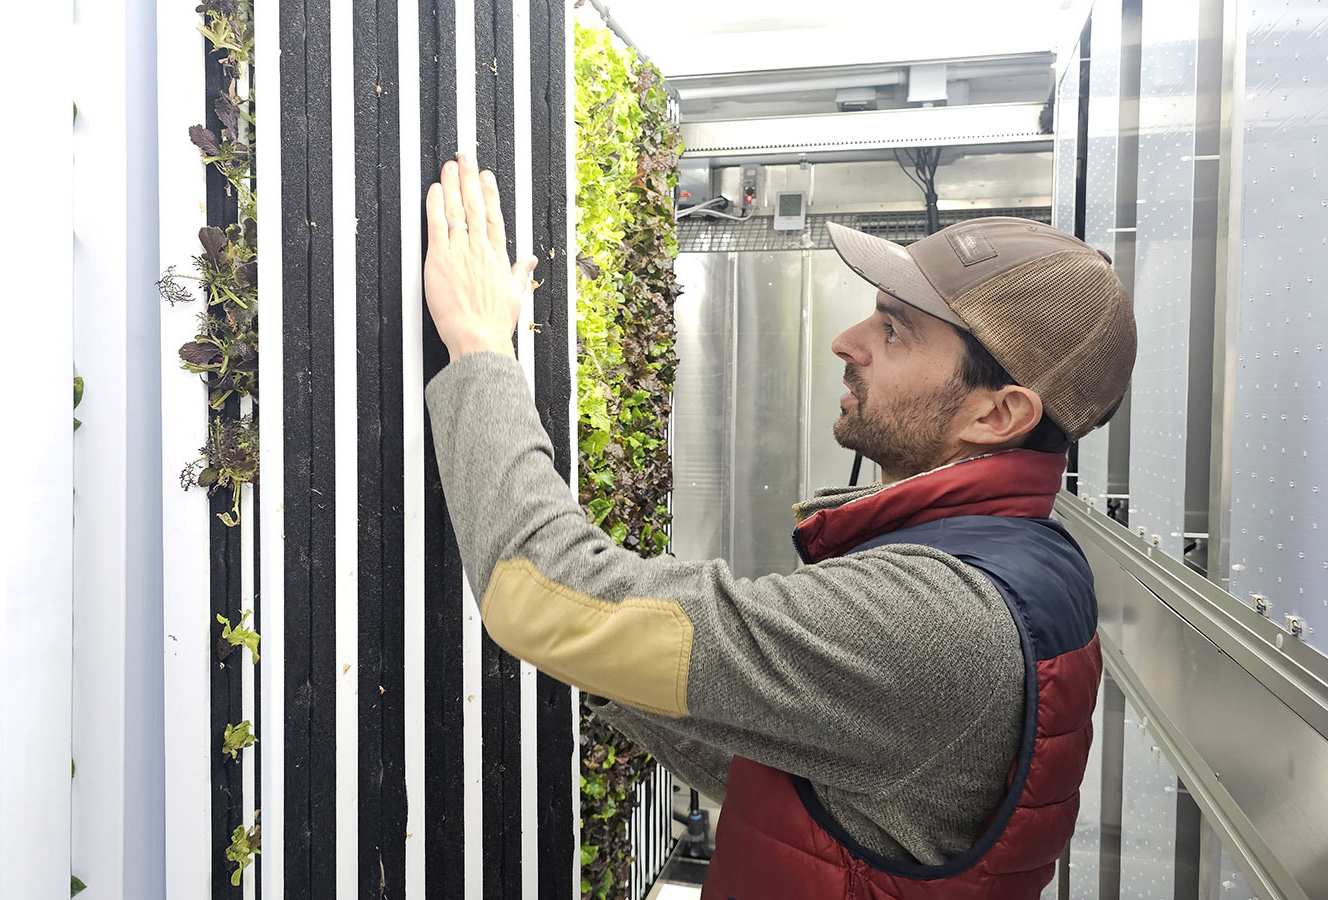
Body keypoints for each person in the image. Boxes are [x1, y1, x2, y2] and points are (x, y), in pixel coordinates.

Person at [421, 154, 1136, 899]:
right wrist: (610, 662)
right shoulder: (1023, 564)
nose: (847, 341)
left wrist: (478, 345)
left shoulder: (942, 618)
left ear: (998, 414)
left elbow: (540, 596)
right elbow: (813, 792)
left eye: (893, 331)